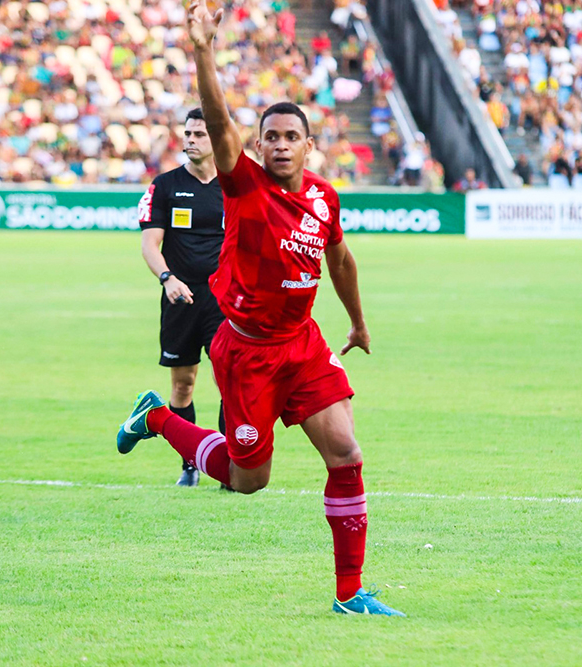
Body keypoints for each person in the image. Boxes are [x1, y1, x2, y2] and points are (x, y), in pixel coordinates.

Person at [116, 0, 404, 617]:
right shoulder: (244, 187)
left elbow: (341, 261)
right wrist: (201, 51)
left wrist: (356, 320)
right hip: (245, 349)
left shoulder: (325, 198)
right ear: (257, 146)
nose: (277, 145)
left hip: (302, 341)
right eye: (268, 136)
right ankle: (159, 420)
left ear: (308, 144)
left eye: (289, 136)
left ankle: (350, 594)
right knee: (249, 480)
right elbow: (220, 125)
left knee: (346, 453)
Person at [136, 108, 226, 488]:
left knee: (231, 383)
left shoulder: (236, 186)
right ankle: (190, 463)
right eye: (187, 133)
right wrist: (167, 278)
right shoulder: (166, 185)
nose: (190, 139)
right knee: (183, 384)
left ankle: (230, 465)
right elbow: (149, 245)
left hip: (225, 300)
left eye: (199, 134)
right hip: (180, 297)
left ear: (217, 139)